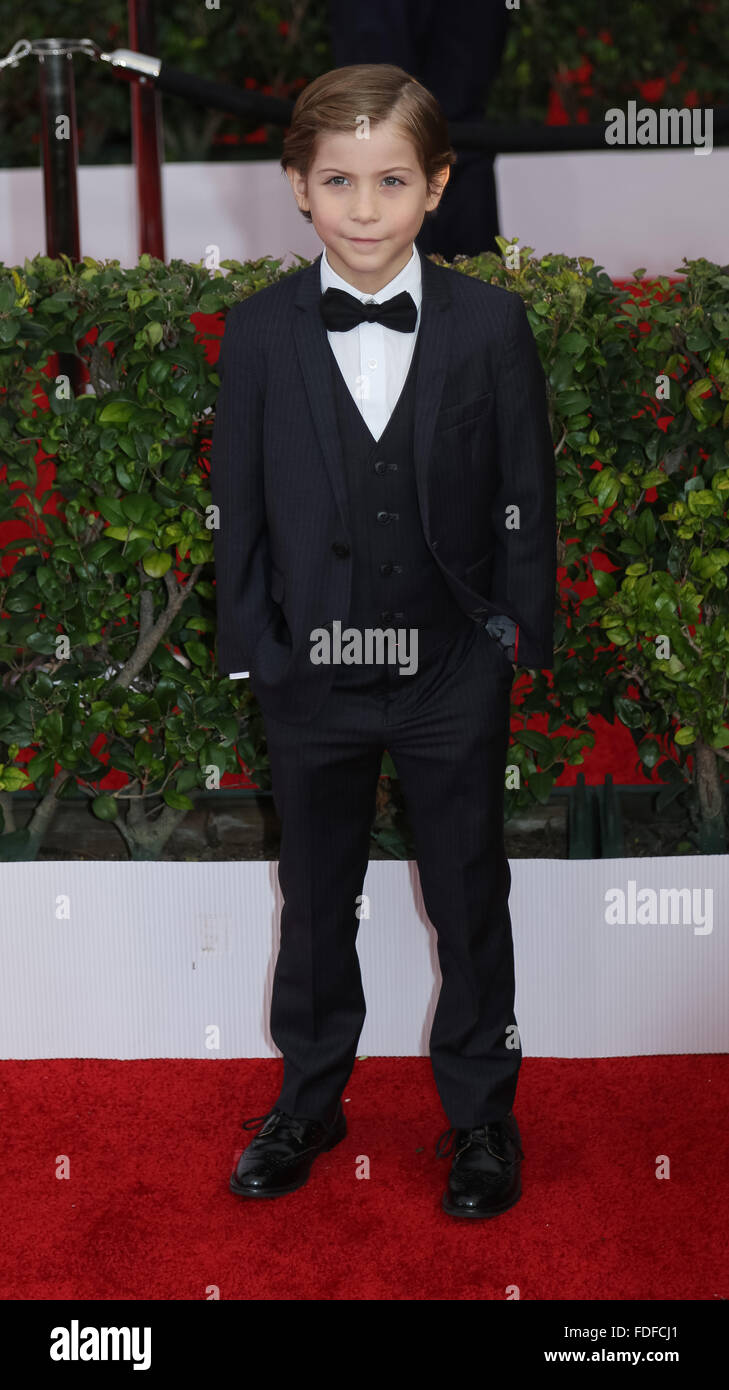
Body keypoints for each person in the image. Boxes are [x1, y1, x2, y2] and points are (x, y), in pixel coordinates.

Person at [211, 64, 556, 1219]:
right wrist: (258, 650)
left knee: (469, 893)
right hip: (310, 678)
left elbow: (525, 491)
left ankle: (482, 1119)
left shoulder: (491, 324)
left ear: (439, 186)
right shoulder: (257, 334)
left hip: (453, 671)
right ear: (299, 189)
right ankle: (310, 1099)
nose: (366, 208)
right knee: (315, 901)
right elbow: (242, 507)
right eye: (340, 182)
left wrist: (516, 635)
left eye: (393, 181)